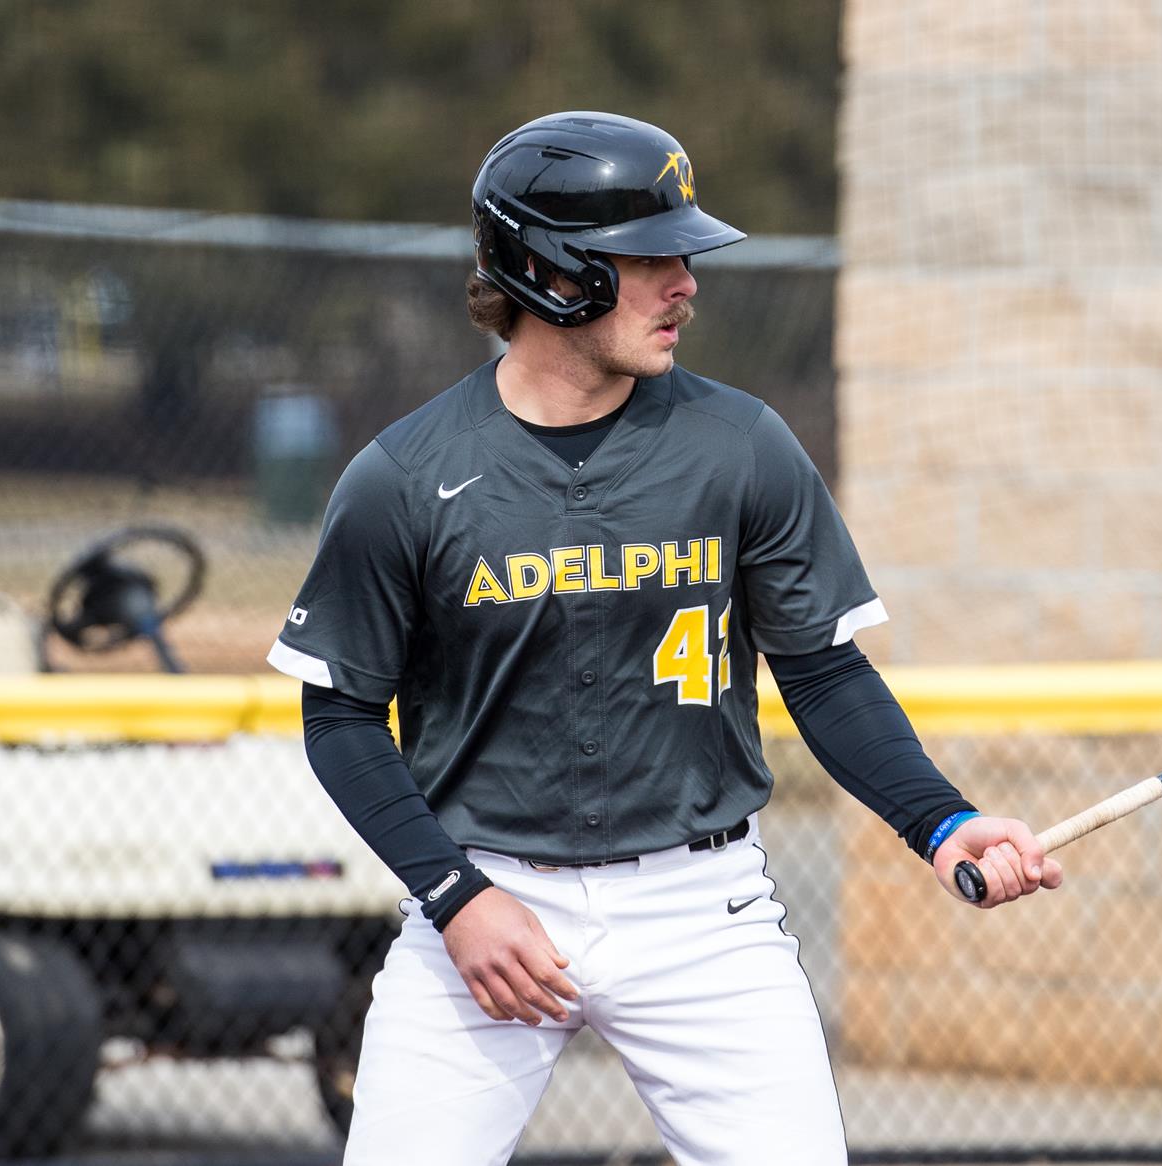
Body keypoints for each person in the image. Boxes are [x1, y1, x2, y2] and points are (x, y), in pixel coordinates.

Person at [268, 110, 1063, 1166]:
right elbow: (341, 718)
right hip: (485, 898)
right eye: (650, 257)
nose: (685, 281)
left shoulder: (742, 445)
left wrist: (939, 819)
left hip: (704, 911)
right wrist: (455, 897)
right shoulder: (403, 479)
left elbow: (822, 671)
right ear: (551, 272)